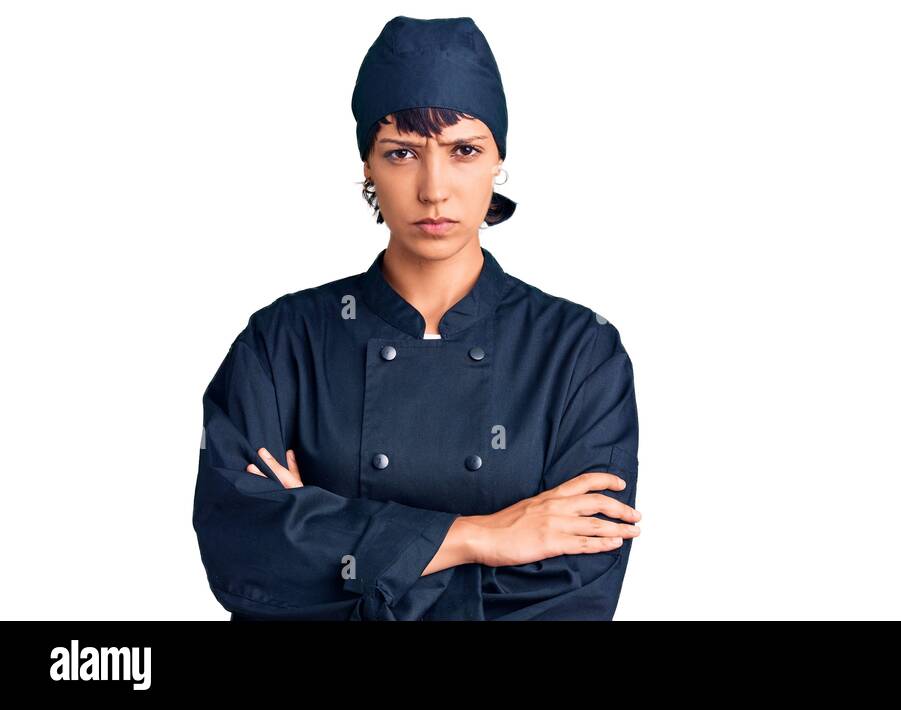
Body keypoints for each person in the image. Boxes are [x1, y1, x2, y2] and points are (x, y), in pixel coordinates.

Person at [192, 16, 641, 621]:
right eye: (402, 153)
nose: (434, 189)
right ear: (368, 168)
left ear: (498, 162)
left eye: (464, 151)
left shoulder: (580, 353)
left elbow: (571, 595)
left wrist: (327, 535)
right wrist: (479, 537)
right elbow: (245, 555)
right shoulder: (281, 342)